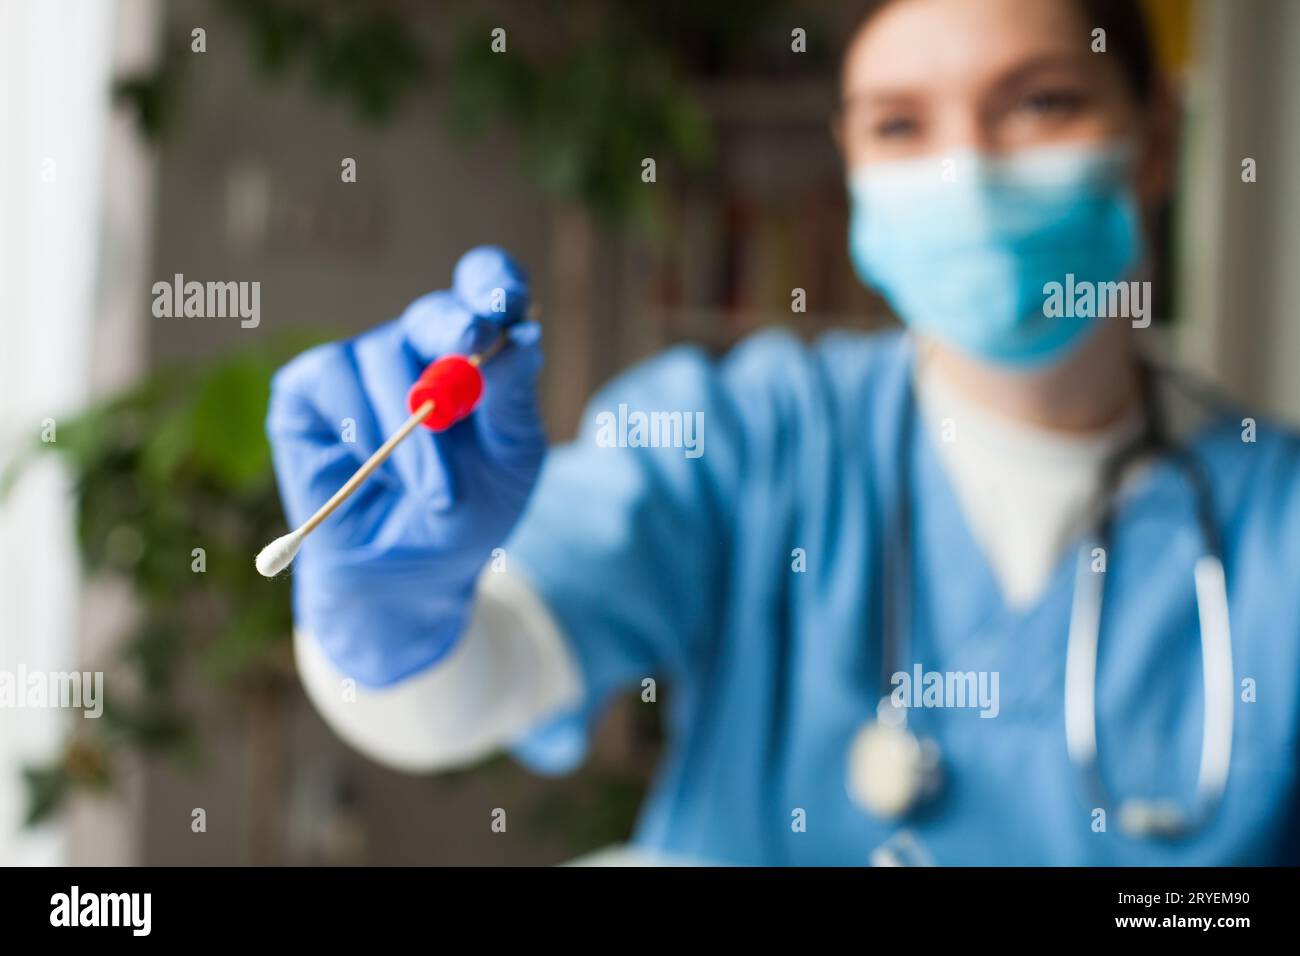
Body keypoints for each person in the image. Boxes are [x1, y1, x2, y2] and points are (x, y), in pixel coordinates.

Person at [266, 0, 1300, 865]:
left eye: (1037, 102)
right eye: (900, 125)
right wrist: (393, 623)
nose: (965, 173)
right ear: (849, 160)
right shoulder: (748, 433)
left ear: (1155, 141)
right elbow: (494, 671)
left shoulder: (1277, 523)